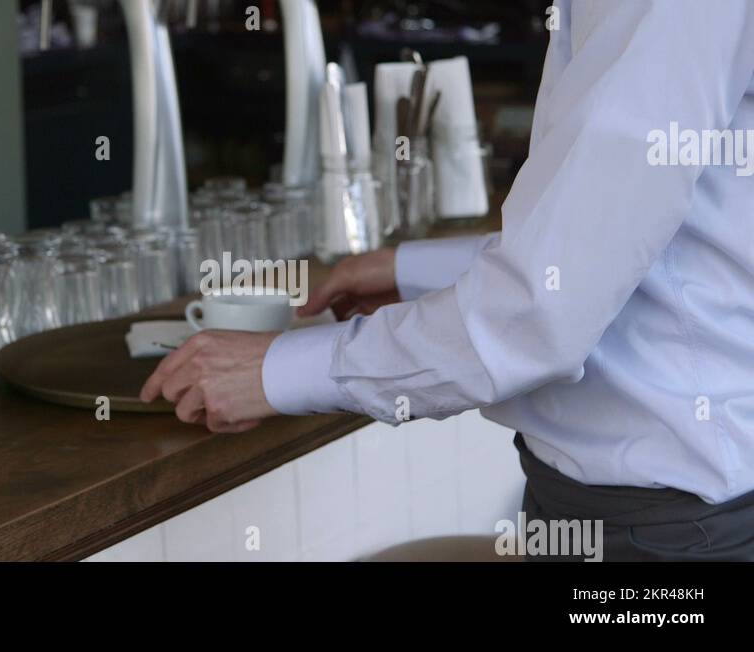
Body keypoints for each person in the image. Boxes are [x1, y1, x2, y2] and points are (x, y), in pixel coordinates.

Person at [141, 0, 754, 560]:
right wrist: (404, 270)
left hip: (666, 534)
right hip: (642, 514)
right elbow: (614, 250)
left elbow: (541, 312)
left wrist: (277, 371)